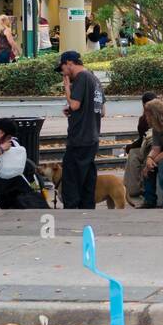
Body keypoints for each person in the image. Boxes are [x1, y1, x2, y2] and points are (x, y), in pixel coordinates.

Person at [58, 49, 103, 209]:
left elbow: (75, 104)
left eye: (63, 69)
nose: (64, 74)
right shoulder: (94, 79)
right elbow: (101, 110)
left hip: (80, 137)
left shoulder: (82, 78)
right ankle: (87, 208)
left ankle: (71, 210)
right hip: (92, 136)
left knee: (71, 177)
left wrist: (67, 88)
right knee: (87, 176)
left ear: (69, 64)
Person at [122, 91, 159, 206]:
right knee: (133, 153)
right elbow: (142, 138)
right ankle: (131, 189)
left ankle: (135, 191)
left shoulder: (158, 117)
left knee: (137, 156)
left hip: (157, 148)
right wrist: (130, 146)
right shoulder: (144, 119)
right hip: (149, 146)